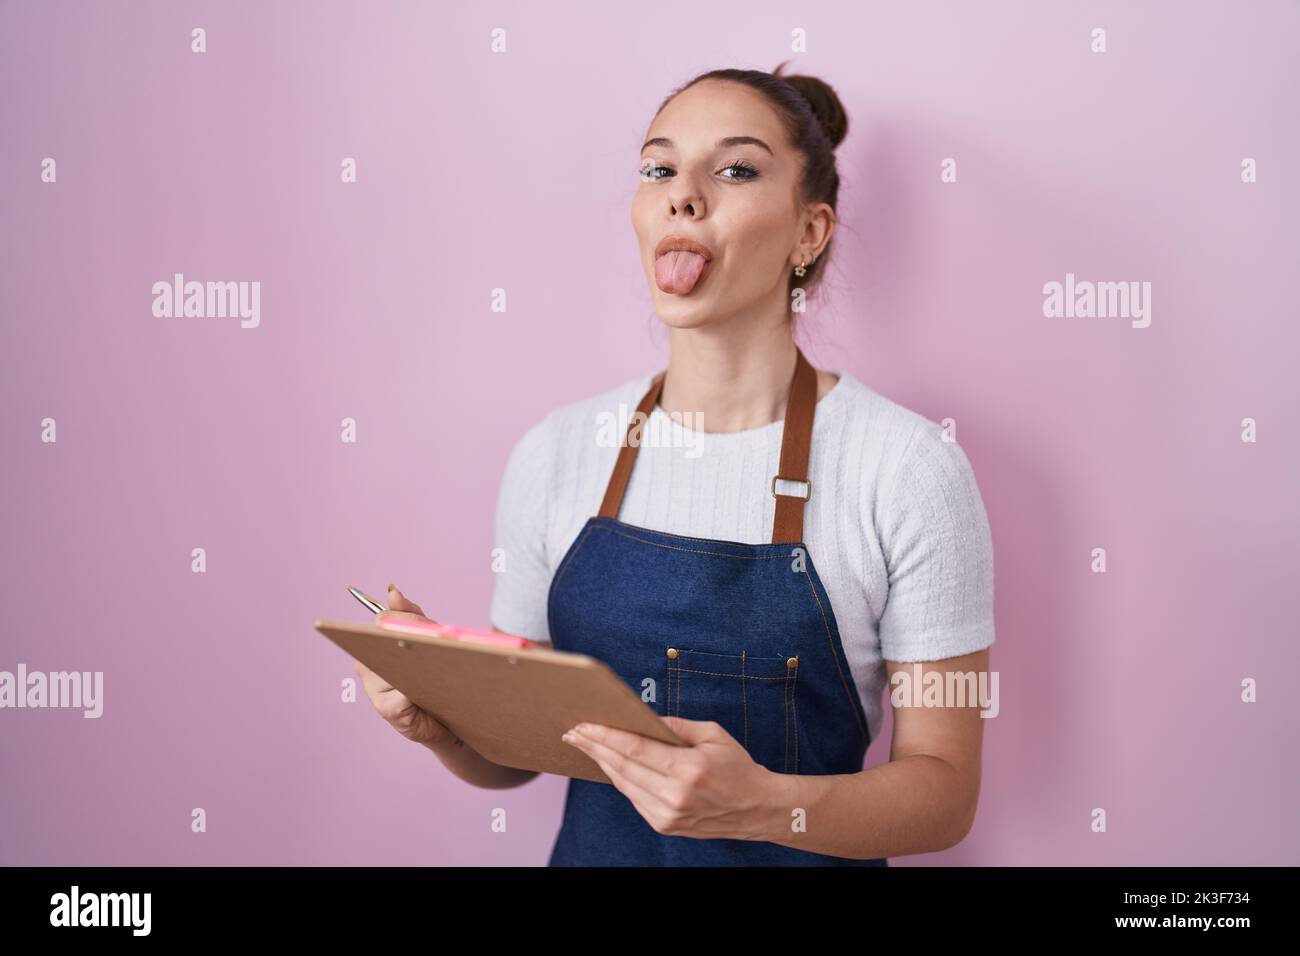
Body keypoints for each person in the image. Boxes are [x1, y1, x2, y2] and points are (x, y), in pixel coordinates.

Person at [357, 63, 995, 866]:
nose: (681, 194)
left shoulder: (908, 470)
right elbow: (515, 757)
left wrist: (766, 808)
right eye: (659, 168)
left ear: (810, 232)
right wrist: (442, 723)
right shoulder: (555, 452)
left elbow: (944, 793)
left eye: (735, 169)